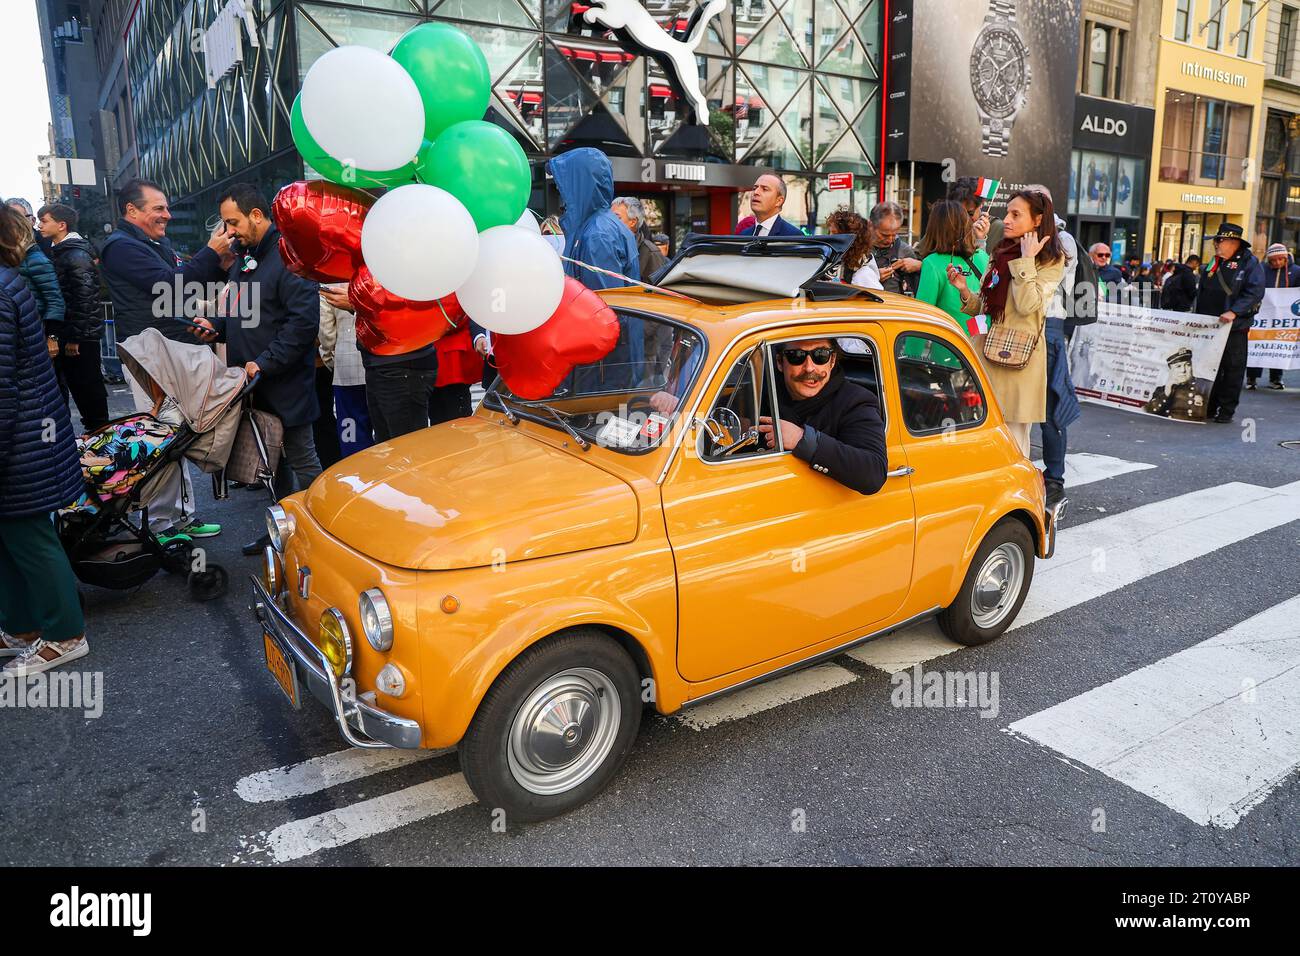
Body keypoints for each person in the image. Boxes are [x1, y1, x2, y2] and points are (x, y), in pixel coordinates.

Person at [190, 184, 322, 555]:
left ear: (257, 216)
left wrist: (264, 362)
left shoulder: (289, 255)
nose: (229, 231)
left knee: (302, 459)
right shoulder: (245, 257)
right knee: (271, 466)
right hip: (252, 384)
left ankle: (323, 536)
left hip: (284, 383)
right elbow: (234, 307)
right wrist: (214, 324)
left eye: (233, 222)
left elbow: (301, 324)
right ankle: (281, 531)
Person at [99, 178, 231, 540]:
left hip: (168, 352)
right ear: (132, 210)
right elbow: (168, 285)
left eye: (166, 207)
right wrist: (209, 252)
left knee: (176, 437)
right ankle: (159, 524)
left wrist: (220, 265)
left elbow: (186, 285)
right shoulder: (120, 247)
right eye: (158, 208)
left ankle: (183, 517)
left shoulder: (153, 243)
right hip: (148, 358)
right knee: (158, 440)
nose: (167, 215)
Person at [0, 206, 89, 676]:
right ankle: (22, 625)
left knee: (30, 536)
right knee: (13, 536)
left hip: (21, 439)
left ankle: (64, 635)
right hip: (28, 433)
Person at [949, 189, 1066, 458]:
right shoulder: (1000, 252)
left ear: (1037, 220)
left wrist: (1026, 261)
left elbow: (1027, 306)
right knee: (979, 437)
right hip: (984, 352)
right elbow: (987, 307)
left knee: (1011, 443)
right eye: (1008, 213)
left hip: (1017, 362)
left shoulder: (1050, 259)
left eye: (1016, 214)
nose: (1008, 220)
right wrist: (964, 290)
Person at [547, 147, 644, 387]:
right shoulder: (602, 225)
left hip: (600, 368)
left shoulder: (597, 234)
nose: (560, 192)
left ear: (579, 185)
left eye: (564, 185)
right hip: (610, 363)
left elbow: (600, 311)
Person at [755, 337, 888, 496]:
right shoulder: (759, 394)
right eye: (796, 356)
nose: (809, 368)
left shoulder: (855, 402)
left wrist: (801, 439)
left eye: (820, 355)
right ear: (779, 362)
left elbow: (873, 473)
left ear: (832, 361)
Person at [1026, 185, 1082, 509]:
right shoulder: (1023, 237)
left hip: (1048, 326)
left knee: (1050, 408)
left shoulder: (1062, 240)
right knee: (1014, 405)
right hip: (1020, 325)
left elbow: (1042, 285)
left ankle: (1055, 479)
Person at [37, 203, 109, 432]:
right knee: (81, 392)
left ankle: (103, 447)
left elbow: (85, 299)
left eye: (44, 220)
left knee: (89, 394)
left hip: (79, 340)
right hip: (71, 336)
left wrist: (75, 338)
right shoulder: (61, 251)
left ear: (61, 225)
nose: (40, 225)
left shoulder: (75, 254)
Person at [1196, 222, 1265, 424]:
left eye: (1220, 240)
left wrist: (1234, 311)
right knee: (1210, 368)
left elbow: (1255, 292)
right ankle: (1210, 406)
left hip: (1234, 327)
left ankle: (1226, 410)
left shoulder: (1250, 263)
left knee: (1232, 369)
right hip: (1210, 326)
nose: (1216, 244)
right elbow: (1204, 290)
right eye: (1216, 240)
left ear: (1234, 242)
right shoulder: (1215, 261)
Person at [914, 199, 989, 324]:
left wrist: (912, 344)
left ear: (934, 228)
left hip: (949, 340)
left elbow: (922, 318)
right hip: (979, 340)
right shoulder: (983, 256)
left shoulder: (932, 263)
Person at [318, 289, 373, 458]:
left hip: (346, 365)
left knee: (351, 434)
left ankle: (356, 477)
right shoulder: (379, 274)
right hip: (383, 361)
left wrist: (330, 359)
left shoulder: (330, 279)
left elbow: (326, 330)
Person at [1246, 242, 1297, 390]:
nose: (1277, 263)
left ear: (1286, 258)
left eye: (1280, 259)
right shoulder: (1262, 269)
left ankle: (1276, 379)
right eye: (1273, 260)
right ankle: (1252, 377)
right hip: (1263, 314)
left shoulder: (1296, 271)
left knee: (1279, 346)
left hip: (1284, 316)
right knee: (1257, 344)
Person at [867, 201, 922, 295]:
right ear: (870, 225)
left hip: (893, 307)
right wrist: (871, 277)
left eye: (895, 234)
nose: (890, 240)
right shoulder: (856, 247)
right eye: (884, 235)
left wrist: (920, 267)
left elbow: (921, 289)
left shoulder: (905, 251)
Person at [1143, 347, 1210, 421]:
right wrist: (1166, 394)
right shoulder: (1162, 390)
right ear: (1170, 369)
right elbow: (1149, 411)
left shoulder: (1205, 385)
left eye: (1187, 365)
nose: (1183, 370)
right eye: (1178, 366)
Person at [612, 196, 668, 283]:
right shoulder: (608, 245)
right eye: (609, 218)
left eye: (616, 217)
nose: (610, 222)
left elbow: (656, 291)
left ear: (633, 222)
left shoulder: (651, 253)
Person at [825, 209, 883, 290]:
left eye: (835, 234)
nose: (829, 238)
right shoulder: (834, 263)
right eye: (830, 232)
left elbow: (876, 300)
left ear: (851, 241)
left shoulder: (864, 275)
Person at [737, 174, 802, 236]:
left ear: (779, 201)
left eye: (765, 189)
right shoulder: (744, 234)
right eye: (754, 188)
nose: (756, 192)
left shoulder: (793, 236)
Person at [946, 177, 994, 251]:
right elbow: (922, 253)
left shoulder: (996, 227)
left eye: (970, 213)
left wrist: (980, 241)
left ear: (981, 204)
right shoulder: (945, 224)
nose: (964, 219)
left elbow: (987, 262)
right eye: (959, 214)